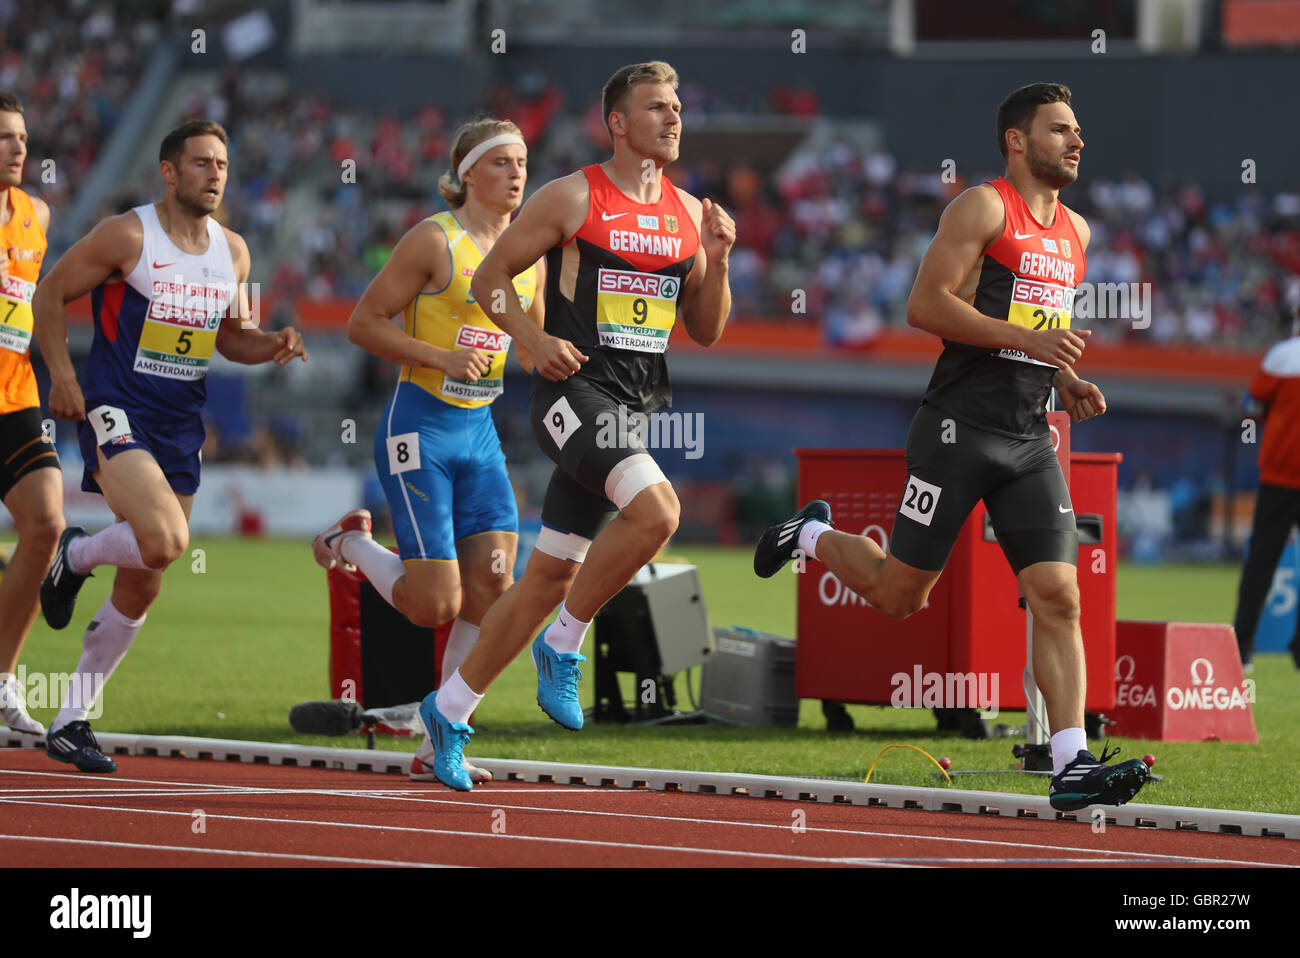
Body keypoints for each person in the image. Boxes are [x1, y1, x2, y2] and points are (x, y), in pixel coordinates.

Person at [754, 82, 1150, 812]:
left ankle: (1071, 763)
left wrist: (1063, 377)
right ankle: (807, 534)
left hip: (1029, 438)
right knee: (902, 597)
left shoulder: (1078, 233)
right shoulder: (982, 206)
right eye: (1060, 129)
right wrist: (1035, 343)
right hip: (955, 431)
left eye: (1078, 129)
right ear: (1017, 140)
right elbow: (926, 305)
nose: (1077, 140)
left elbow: (1032, 324)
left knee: (1058, 594)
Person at [418, 61, 735, 790]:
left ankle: (450, 710)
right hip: (572, 397)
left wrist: (717, 262)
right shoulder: (573, 197)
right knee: (659, 513)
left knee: (547, 578)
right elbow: (491, 278)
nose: (674, 117)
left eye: (678, 106)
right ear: (618, 123)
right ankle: (565, 645)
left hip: (634, 407)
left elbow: (708, 330)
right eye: (657, 107)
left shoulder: (690, 214)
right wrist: (530, 342)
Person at [32, 120, 307, 772]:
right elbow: (50, 292)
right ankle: (74, 557)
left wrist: (269, 344)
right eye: (202, 162)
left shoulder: (234, 251)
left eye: (223, 164)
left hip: (181, 425)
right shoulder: (128, 235)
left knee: (146, 582)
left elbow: (229, 336)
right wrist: (64, 376)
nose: (216, 174)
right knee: (165, 541)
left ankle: (71, 719)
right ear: (169, 171)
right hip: (116, 409)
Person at [313, 117, 542, 784]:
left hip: (481, 433)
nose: (515, 173)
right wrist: (442, 354)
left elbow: (533, 339)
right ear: (467, 173)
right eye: (500, 162)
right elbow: (363, 322)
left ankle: (440, 738)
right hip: (420, 430)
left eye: (522, 161)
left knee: (492, 588)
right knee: (433, 604)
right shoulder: (434, 241)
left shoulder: (528, 254)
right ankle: (349, 545)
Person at [0, 92, 59, 736]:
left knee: (45, 525)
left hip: (15, 396)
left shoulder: (36, 214)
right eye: (4, 138)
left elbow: (36, 305)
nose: (19, 149)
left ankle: (1, 679)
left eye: (21, 137)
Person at [1233, 313, 1300, 671]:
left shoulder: (1284, 355)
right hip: (1281, 475)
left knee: (1261, 562)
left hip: (1280, 474)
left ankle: (1242, 647)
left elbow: (1251, 405)